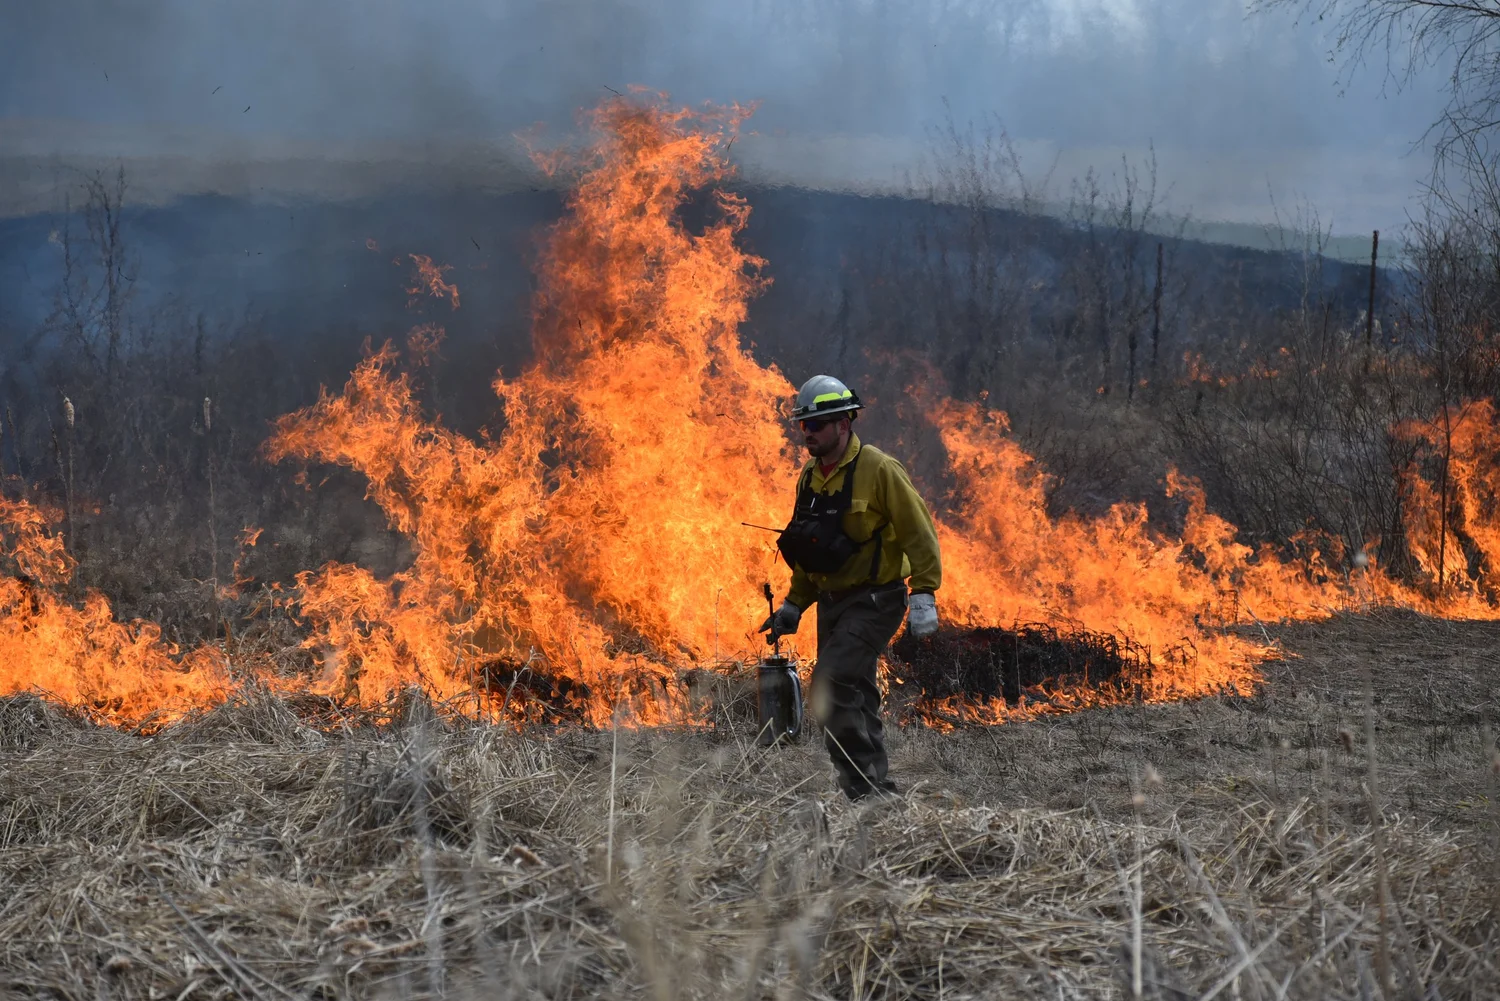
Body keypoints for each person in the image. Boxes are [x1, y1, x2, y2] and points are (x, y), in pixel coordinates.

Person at [760, 375, 942, 801]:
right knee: (856, 695)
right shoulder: (810, 476)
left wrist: (924, 592)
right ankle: (880, 794)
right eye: (804, 425)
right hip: (832, 603)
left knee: (828, 686)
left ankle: (863, 793)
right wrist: (793, 606)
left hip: (876, 600)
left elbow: (919, 533)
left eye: (817, 425)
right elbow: (808, 546)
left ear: (843, 424)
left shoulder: (880, 470)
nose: (808, 433)